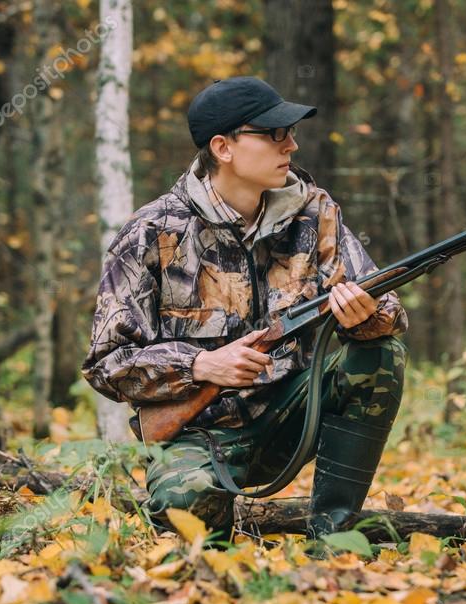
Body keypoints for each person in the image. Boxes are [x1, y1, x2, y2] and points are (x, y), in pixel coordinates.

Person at [82, 77, 407, 540]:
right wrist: (200, 365)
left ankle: (336, 541)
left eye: (290, 133)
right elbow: (105, 363)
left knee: (382, 355)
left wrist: (366, 317)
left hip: (297, 414)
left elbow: (389, 306)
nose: (291, 145)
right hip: (203, 438)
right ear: (223, 147)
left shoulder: (314, 214)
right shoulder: (151, 231)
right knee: (185, 508)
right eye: (274, 134)